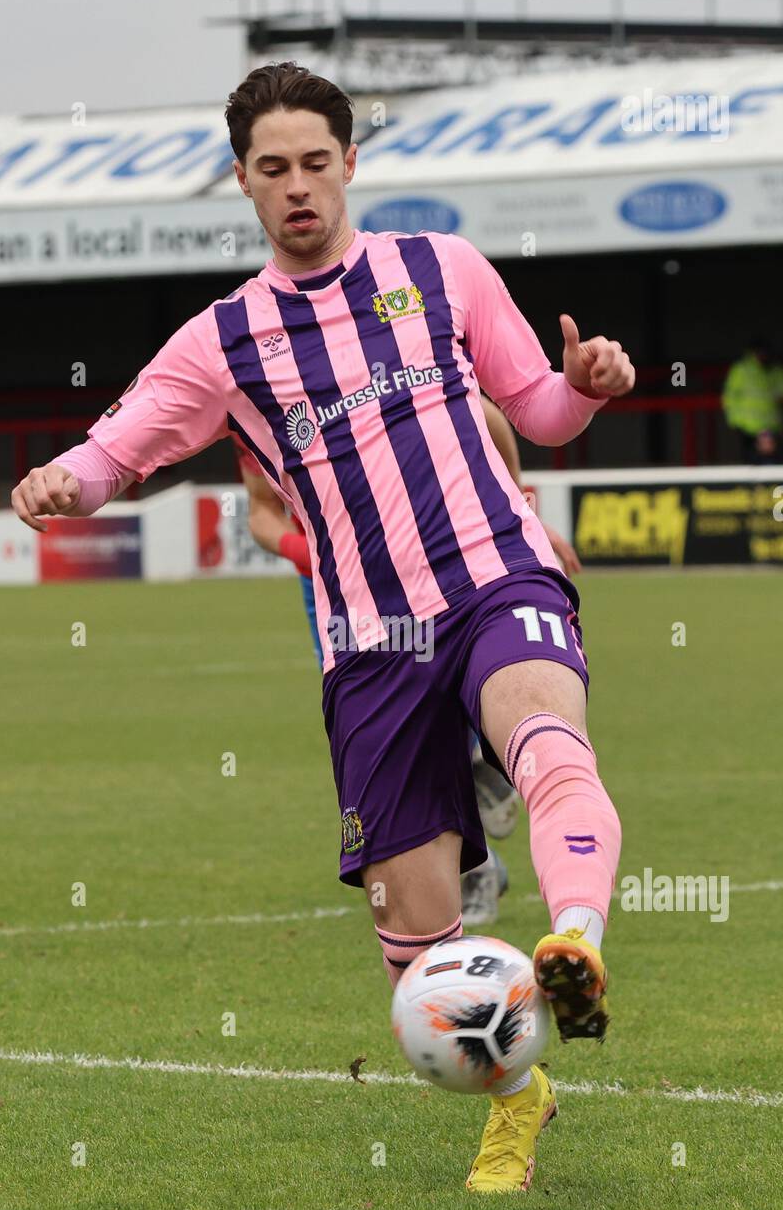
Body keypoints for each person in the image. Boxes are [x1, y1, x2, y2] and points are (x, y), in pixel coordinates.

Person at [10, 62, 634, 1195]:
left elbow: (536, 405)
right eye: (271, 169)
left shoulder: (437, 270)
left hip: (497, 572)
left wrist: (585, 384)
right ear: (243, 182)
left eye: (314, 162)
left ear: (351, 163)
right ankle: (517, 1093)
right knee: (415, 938)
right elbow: (122, 446)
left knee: (546, 737)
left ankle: (575, 939)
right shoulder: (223, 341)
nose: (297, 187)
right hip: (370, 642)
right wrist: (64, 479)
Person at [238, 395, 583, 927]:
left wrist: (515, 510)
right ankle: (478, 846)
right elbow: (261, 506)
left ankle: (479, 812)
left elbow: (486, 417)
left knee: (445, 699)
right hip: (336, 589)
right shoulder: (247, 399)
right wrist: (296, 548)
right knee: (389, 727)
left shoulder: (368, 357)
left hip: (425, 559)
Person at [721, 338, 783, 463]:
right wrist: (734, 420)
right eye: (760, 352)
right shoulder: (741, 369)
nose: (763, 355)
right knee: (750, 460)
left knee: (773, 459)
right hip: (748, 426)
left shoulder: (774, 370)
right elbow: (729, 396)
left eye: (765, 352)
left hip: (770, 424)